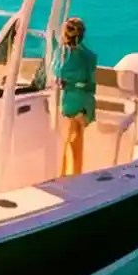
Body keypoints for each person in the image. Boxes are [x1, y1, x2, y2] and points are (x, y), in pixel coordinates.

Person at [31, 17, 97, 176]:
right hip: (84, 100)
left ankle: (62, 175)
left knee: (64, 142)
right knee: (76, 142)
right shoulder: (90, 56)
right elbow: (90, 83)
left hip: (67, 99)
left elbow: (54, 73)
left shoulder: (59, 53)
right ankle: (75, 174)